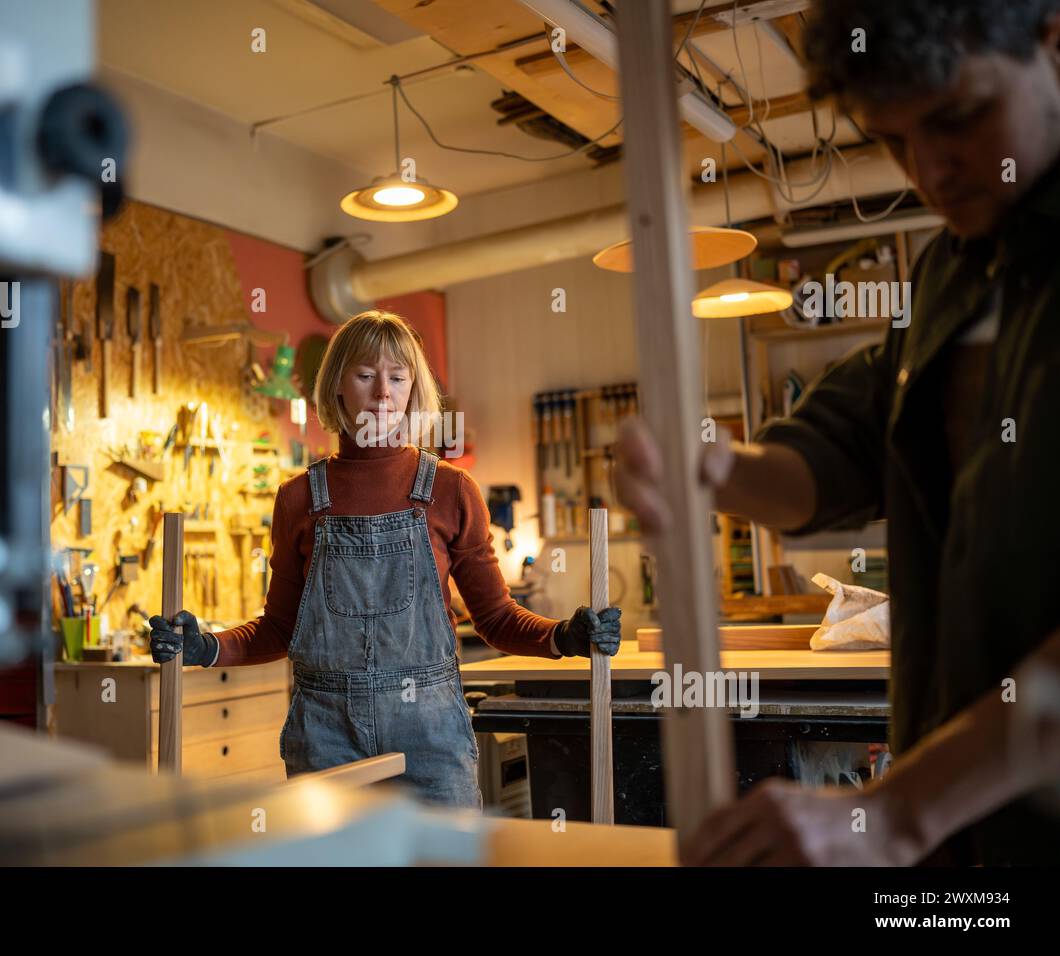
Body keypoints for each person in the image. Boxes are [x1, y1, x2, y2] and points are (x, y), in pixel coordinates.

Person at [613, 0, 1060, 866]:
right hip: (968, 849)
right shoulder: (951, 273)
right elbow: (845, 447)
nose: (929, 170)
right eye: (891, 141)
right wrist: (712, 468)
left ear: (1051, 36)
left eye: (958, 116)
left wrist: (895, 813)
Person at [151, 310, 621, 808]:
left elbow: (496, 618)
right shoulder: (298, 498)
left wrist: (563, 636)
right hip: (326, 737)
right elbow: (280, 629)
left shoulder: (451, 489)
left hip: (430, 740)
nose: (383, 394)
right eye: (365, 375)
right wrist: (204, 648)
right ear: (337, 387)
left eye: (398, 378)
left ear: (413, 391)